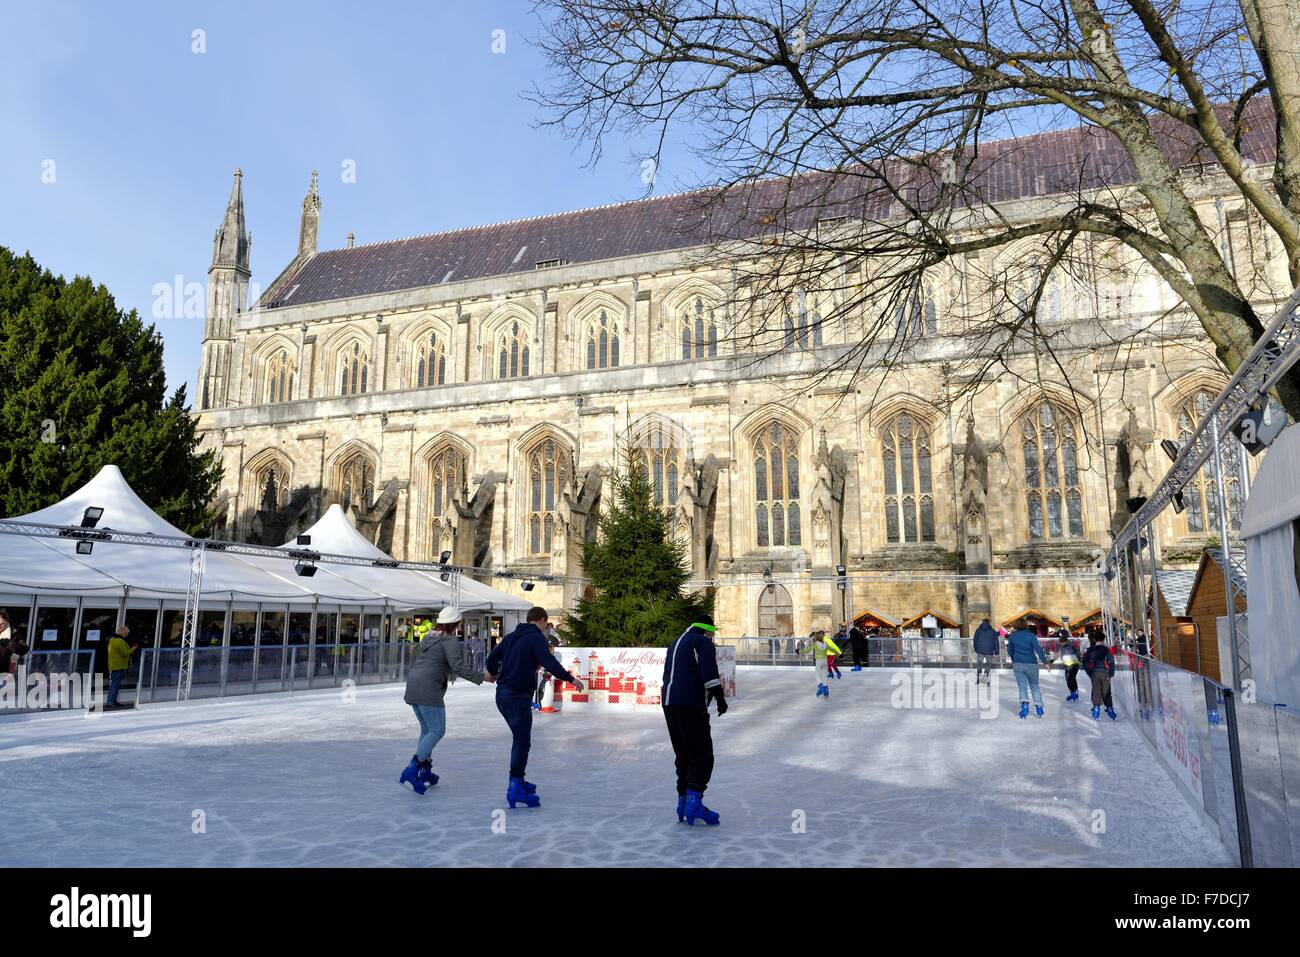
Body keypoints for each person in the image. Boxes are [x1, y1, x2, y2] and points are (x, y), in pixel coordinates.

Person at [484, 607, 584, 808]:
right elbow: (549, 662)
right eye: (546, 625)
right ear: (541, 621)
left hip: (502, 695)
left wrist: (494, 673)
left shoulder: (511, 637)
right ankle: (516, 785)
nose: (546, 629)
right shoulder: (536, 637)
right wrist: (571, 678)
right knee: (521, 741)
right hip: (517, 695)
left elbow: (491, 659)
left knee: (520, 740)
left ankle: (518, 780)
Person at [399, 606, 494, 795]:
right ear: (456, 624)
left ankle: (425, 771)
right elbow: (457, 667)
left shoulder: (429, 637)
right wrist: (483, 676)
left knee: (427, 730)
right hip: (428, 689)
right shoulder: (449, 641)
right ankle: (412, 769)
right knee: (437, 730)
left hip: (414, 685)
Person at [662, 614, 728, 826]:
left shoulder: (676, 642)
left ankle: (682, 801)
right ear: (707, 630)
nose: (712, 636)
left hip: (669, 704)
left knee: (683, 754)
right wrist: (719, 697)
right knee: (702, 754)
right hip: (690, 703)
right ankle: (694, 803)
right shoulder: (702, 642)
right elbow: (709, 673)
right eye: (711, 632)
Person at [1005, 617, 1051, 718]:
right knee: (1034, 686)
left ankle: (1024, 707)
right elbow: (1038, 649)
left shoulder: (1012, 636)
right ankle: (1039, 708)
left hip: (1018, 664)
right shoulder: (1031, 635)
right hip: (1032, 664)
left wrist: (1014, 659)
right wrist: (1045, 662)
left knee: (1022, 687)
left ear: (1016, 625)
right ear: (1025, 625)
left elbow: (1009, 650)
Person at [1082, 631, 1117, 720]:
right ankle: (1109, 709)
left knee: (1096, 690)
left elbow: (1085, 662)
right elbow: (1111, 661)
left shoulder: (1090, 649)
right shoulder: (1106, 650)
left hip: (1094, 673)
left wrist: (1089, 672)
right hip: (1105, 672)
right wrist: (1111, 672)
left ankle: (1096, 709)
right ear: (1103, 639)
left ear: (1094, 639)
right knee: (1106, 691)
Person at [104, 625, 139, 710]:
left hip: (115, 665)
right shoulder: (119, 641)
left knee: (114, 684)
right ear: (122, 632)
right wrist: (133, 649)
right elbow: (125, 653)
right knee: (115, 684)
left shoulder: (112, 640)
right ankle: (111, 701)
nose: (126, 635)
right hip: (119, 666)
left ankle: (112, 700)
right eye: (126, 633)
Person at [533, 624, 562, 711]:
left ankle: (546, 704)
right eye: (551, 649)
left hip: (546, 676)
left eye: (552, 649)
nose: (552, 650)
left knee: (546, 688)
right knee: (539, 688)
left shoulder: (550, 657)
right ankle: (539, 703)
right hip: (540, 674)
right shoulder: (542, 653)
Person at [808, 630, 840, 699]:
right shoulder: (824, 642)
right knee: (824, 676)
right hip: (825, 660)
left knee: (818, 674)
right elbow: (832, 648)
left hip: (821, 660)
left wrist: (799, 651)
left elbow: (807, 650)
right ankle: (826, 692)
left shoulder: (818, 642)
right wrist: (840, 653)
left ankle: (821, 687)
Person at [1055, 628, 1082, 702]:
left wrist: (1050, 661)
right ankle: (1075, 692)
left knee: (1069, 679)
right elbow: (1078, 653)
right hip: (1074, 665)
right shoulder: (1071, 644)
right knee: (1072, 678)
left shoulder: (1063, 647)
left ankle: (1073, 693)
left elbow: (1057, 655)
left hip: (1071, 665)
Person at [971, 617, 999, 684]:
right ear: (989, 623)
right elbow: (996, 641)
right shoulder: (992, 631)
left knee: (979, 665)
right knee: (988, 665)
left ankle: (978, 680)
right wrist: (997, 651)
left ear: (982, 622)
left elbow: (975, 640)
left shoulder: (978, 630)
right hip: (989, 651)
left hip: (980, 650)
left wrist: (976, 648)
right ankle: (984, 678)